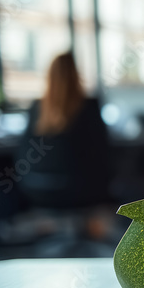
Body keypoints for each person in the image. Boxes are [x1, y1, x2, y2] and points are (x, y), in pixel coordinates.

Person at [18, 52, 111, 209]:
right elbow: (104, 154)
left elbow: (21, 156)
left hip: (36, 188)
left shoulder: (36, 108)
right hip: (80, 191)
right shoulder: (88, 108)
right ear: (76, 75)